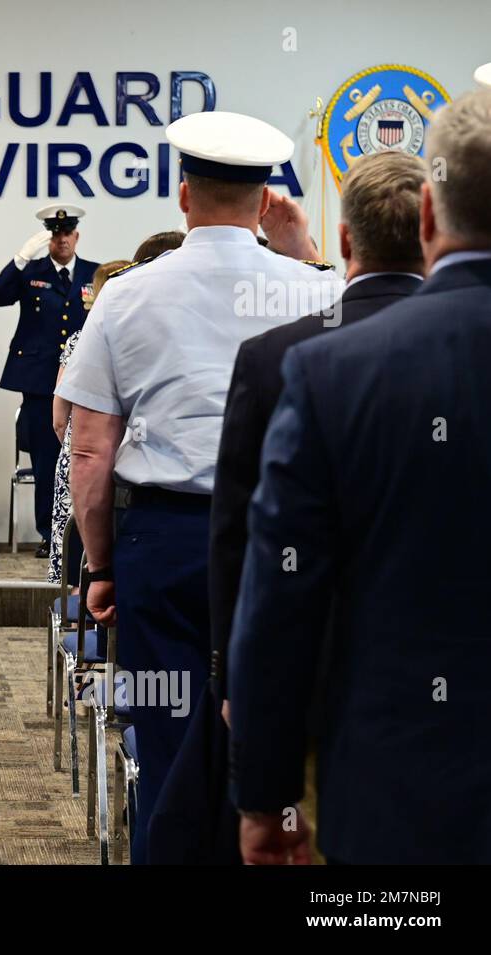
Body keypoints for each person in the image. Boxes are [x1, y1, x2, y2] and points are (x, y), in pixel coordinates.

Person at [57, 110, 340, 863]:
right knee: (279, 720)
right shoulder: (315, 290)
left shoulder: (126, 294)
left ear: (184, 197)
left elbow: (89, 448)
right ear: (265, 199)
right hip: (284, 535)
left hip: (168, 539)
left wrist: (103, 564)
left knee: (170, 732)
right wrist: (304, 250)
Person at [228, 89, 491, 865]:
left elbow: (281, 598)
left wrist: (267, 792)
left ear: (430, 216)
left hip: (398, 781)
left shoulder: (333, 371)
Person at [0, 205, 101, 557]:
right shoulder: (31, 273)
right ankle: (49, 534)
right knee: (46, 461)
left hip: (85, 381)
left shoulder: (93, 273)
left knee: (87, 458)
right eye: (55, 233)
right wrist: (20, 259)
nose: (62, 239)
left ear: (77, 236)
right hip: (39, 383)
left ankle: (83, 535)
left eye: (67, 232)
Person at [47, 259, 130, 586]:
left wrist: (71, 444)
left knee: (74, 550)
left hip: (81, 456)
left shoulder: (79, 340)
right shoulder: (145, 338)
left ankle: (71, 616)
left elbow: (58, 417)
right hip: (127, 457)